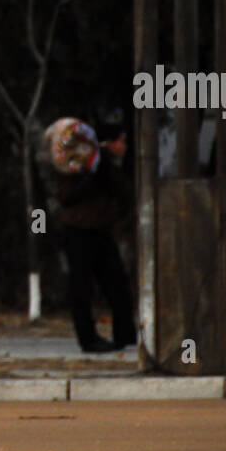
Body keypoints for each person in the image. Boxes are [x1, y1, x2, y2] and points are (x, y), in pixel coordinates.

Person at [45, 117, 136, 353]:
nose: (124, 146)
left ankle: (124, 336)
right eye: (121, 141)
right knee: (83, 288)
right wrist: (96, 173)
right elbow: (66, 197)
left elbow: (124, 194)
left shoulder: (99, 162)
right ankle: (90, 339)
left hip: (99, 230)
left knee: (117, 285)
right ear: (111, 143)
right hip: (78, 231)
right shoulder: (82, 163)